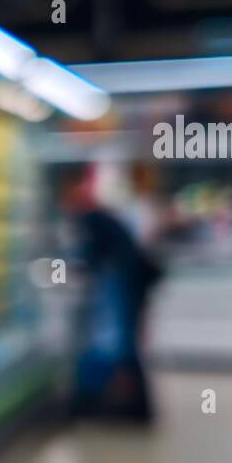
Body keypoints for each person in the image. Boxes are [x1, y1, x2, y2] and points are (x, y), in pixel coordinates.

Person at [62, 164, 164, 423]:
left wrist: (71, 272)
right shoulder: (102, 217)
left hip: (125, 285)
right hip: (133, 284)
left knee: (118, 345)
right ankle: (135, 407)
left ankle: (124, 407)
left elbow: (90, 259)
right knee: (124, 345)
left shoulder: (92, 218)